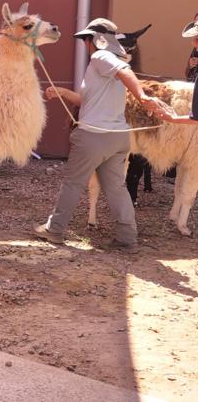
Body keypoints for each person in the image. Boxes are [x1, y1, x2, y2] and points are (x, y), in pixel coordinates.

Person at [38, 18, 163, 253]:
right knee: (116, 188)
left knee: (73, 183)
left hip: (94, 136)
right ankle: (127, 238)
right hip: (117, 138)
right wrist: (63, 92)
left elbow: (125, 72)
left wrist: (142, 96)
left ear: (94, 40)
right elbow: (87, 101)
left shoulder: (101, 56)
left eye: (86, 40)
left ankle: (54, 230)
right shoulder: (111, 62)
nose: (85, 45)